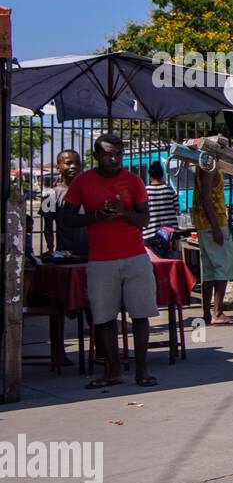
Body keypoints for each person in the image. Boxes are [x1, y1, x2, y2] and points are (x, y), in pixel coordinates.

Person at [61, 134, 159, 388]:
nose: (114, 159)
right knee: (103, 317)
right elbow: (68, 218)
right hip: (100, 259)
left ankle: (142, 370)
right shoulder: (82, 182)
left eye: (118, 154)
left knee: (140, 314)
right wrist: (96, 216)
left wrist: (122, 211)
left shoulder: (134, 180)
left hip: (135, 256)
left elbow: (145, 220)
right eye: (108, 154)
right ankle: (113, 370)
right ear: (96, 156)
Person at [193, 158, 233, 326]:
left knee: (209, 271)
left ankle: (207, 313)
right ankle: (218, 312)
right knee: (222, 267)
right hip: (213, 223)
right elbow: (207, 198)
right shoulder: (209, 167)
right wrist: (216, 227)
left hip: (204, 223)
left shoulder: (203, 166)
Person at [40, 149, 89, 258]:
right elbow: (48, 226)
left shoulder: (91, 191)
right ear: (58, 167)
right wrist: (50, 249)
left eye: (77, 163)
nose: (73, 166)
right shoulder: (49, 195)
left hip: (92, 251)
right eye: (68, 163)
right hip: (65, 253)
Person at [143, 161, 180, 257]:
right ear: (162, 175)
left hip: (150, 236)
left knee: (155, 267)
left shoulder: (145, 191)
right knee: (170, 265)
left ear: (150, 176)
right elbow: (177, 208)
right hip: (170, 236)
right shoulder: (169, 190)